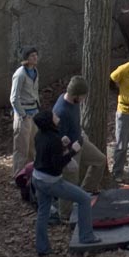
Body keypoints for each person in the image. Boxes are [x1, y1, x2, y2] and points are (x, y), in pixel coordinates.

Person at [32, 109, 101, 256]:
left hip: (37, 178)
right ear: (50, 122)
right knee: (84, 199)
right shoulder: (53, 139)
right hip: (51, 182)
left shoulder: (40, 135)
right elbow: (58, 164)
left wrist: (63, 145)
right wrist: (73, 151)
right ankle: (86, 237)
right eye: (54, 116)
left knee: (43, 212)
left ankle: (42, 248)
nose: (57, 117)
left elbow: (48, 156)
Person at [53, 76, 106, 220]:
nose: (84, 99)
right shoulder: (60, 111)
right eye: (83, 96)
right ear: (75, 95)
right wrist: (68, 157)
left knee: (100, 160)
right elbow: (55, 139)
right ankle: (65, 214)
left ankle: (86, 191)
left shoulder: (74, 102)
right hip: (69, 150)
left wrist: (81, 133)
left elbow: (75, 122)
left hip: (80, 141)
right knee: (70, 182)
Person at [110, 48, 129, 181]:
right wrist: (119, 93)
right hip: (125, 112)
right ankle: (117, 172)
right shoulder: (125, 68)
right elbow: (112, 79)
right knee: (122, 144)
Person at [10, 46, 40, 178]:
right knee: (21, 147)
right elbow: (14, 98)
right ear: (26, 59)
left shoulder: (35, 71)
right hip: (23, 115)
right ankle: (18, 175)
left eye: (36, 55)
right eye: (32, 56)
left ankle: (30, 172)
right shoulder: (20, 74)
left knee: (32, 145)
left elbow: (35, 92)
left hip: (34, 113)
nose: (35, 58)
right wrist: (22, 114)